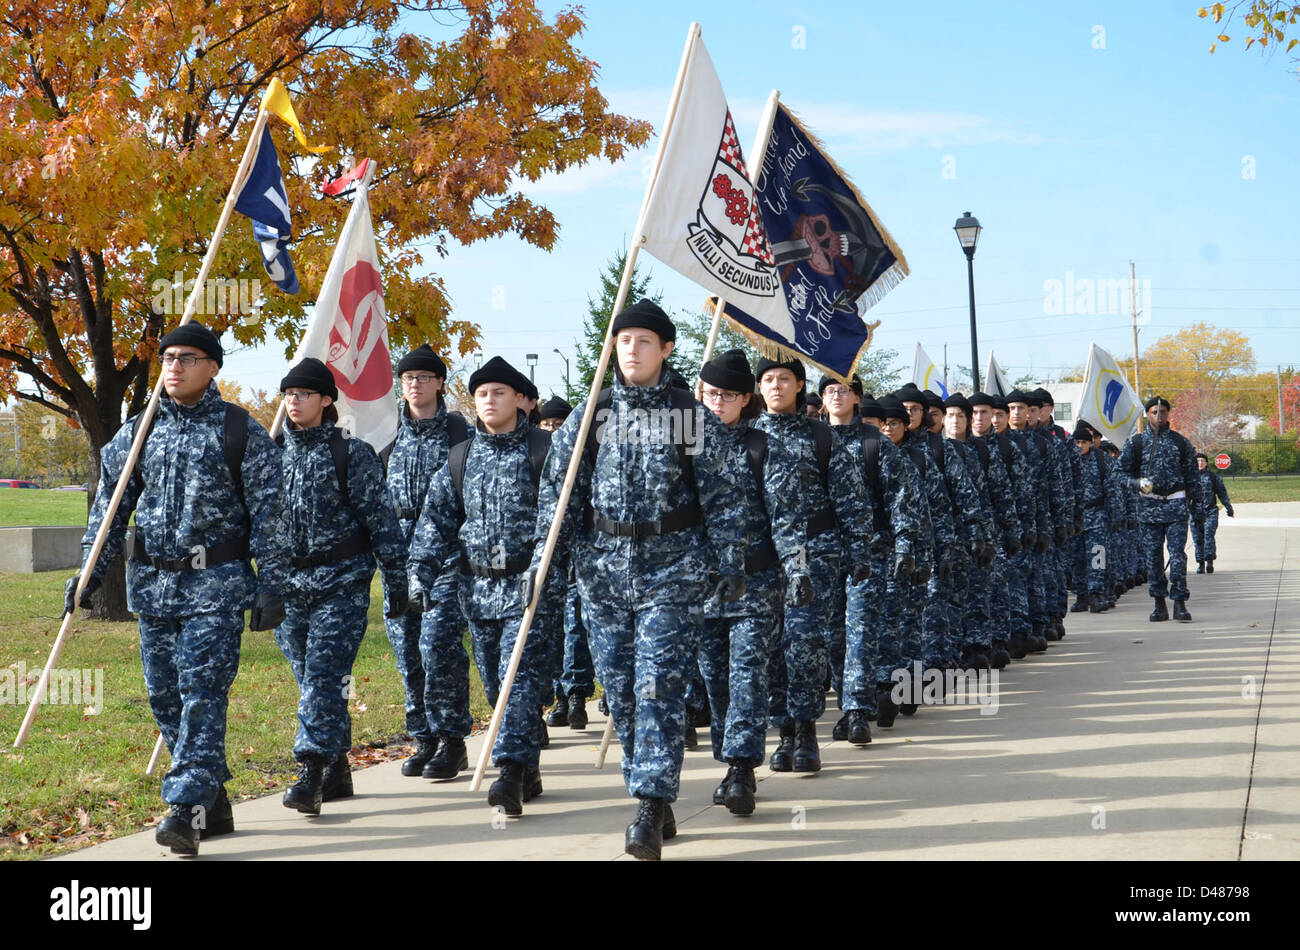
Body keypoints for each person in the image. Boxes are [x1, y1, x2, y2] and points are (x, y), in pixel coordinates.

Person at [529, 300, 747, 860]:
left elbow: (723, 499)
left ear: (666, 349)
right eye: (624, 340)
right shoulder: (587, 417)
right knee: (622, 690)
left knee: (658, 686)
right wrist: (544, 567)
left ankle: (649, 803)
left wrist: (731, 565)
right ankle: (653, 788)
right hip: (602, 576)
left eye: (644, 341)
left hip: (672, 572)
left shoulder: (690, 416)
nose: (632, 349)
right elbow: (558, 500)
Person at [69, 322, 288, 855]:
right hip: (153, 589)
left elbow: (270, 513)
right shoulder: (138, 431)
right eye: (167, 357)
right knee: (164, 697)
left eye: (187, 358)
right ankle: (212, 799)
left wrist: (272, 584)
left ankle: (185, 808)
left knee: (202, 695)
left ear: (213, 367)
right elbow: (111, 508)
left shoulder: (240, 430)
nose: (173, 366)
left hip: (216, 588)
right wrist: (89, 572)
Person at [409, 357, 560, 815]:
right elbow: (437, 520)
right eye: (481, 394)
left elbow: (555, 520)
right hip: (477, 592)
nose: (489, 401)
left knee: (520, 683)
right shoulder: (461, 457)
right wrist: (420, 570)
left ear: (519, 399)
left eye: (498, 392)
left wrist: (538, 568)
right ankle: (527, 766)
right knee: (497, 685)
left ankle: (509, 773)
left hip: (527, 590)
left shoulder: (544, 451)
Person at [273, 358, 408, 816]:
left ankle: (309, 772)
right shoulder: (270, 454)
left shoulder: (352, 453)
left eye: (304, 393)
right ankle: (337, 766)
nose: (294, 401)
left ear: (326, 400)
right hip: (289, 588)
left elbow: (381, 522)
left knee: (324, 678)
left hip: (341, 583)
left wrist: (396, 580)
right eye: (288, 394)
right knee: (310, 679)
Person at [696, 350, 811, 815]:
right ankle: (730, 757)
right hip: (700, 589)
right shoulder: (686, 451)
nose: (715, 403)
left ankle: (742, 768)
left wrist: (798, 570)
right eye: (708, 395)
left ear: (746, 399)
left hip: (755, 585)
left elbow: (790, 521)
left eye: (726, 396)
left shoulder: (765, 449)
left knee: (747, 676)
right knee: (715, 680)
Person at [756, 359, 872, 770]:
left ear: (800, 385)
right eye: (768, 379)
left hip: (815, 552)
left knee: (804, 643)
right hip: (763, 556)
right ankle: (783, 730)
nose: (776, 386)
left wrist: (860, 550)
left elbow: (851, 499)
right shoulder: (748, 437)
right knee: (769, 647)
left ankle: (806, 731)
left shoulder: (821, 436)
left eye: (784, 379)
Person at [385, 345, 474, 781]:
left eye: (423, 377)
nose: (415, 385)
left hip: (448, 556)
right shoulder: (389, 436)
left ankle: (452, 738)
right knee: (407, 651)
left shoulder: (461, 434)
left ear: (440, 383)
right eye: (407, 379)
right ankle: (423, 737)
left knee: (438, 645)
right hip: (399, 559)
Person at [536, 396, 595, 730]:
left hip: (576, 556)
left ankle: (575, 695)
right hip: (546, 559)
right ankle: (556, 695)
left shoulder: (579, 454)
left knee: (575, 627)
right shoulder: (535, 454)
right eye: (547, 425)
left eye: (558, 424)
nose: (553, 430)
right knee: (552, 630)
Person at [1117, 396, 1203, 622]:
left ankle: (1180, 603)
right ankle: (1158, 603)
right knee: (1153, 558)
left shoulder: (1180, 442)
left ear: (1168, 414)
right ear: (1148, 414)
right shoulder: (1136, 443)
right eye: (1154, 411)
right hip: (1149, 507)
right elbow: (1119, 473)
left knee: (1177, 556)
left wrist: (1198, 507)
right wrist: (1136, 483)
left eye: (1163, 411)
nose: (1159, 415)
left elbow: (1193, 477)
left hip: (1176, 505)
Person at [1192, 453, 1234, 573]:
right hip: (1195, 513)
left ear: (1206, 463)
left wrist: (1228, 507)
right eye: (1198, 461)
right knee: (1198, 539)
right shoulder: (1189, 478)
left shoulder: (1213, 477)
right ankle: (1200, 564)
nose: (1200, 463)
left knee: (1208, 536)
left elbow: (1222, 493)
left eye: (1202, 461)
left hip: (1210, 512)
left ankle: (1209, 561)